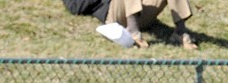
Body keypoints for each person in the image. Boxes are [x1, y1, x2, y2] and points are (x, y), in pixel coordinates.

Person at [62, 0, 198, 49]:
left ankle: (180, 33)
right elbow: (75, 7)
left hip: (140, 12)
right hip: (114, 14)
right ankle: (133, 33)